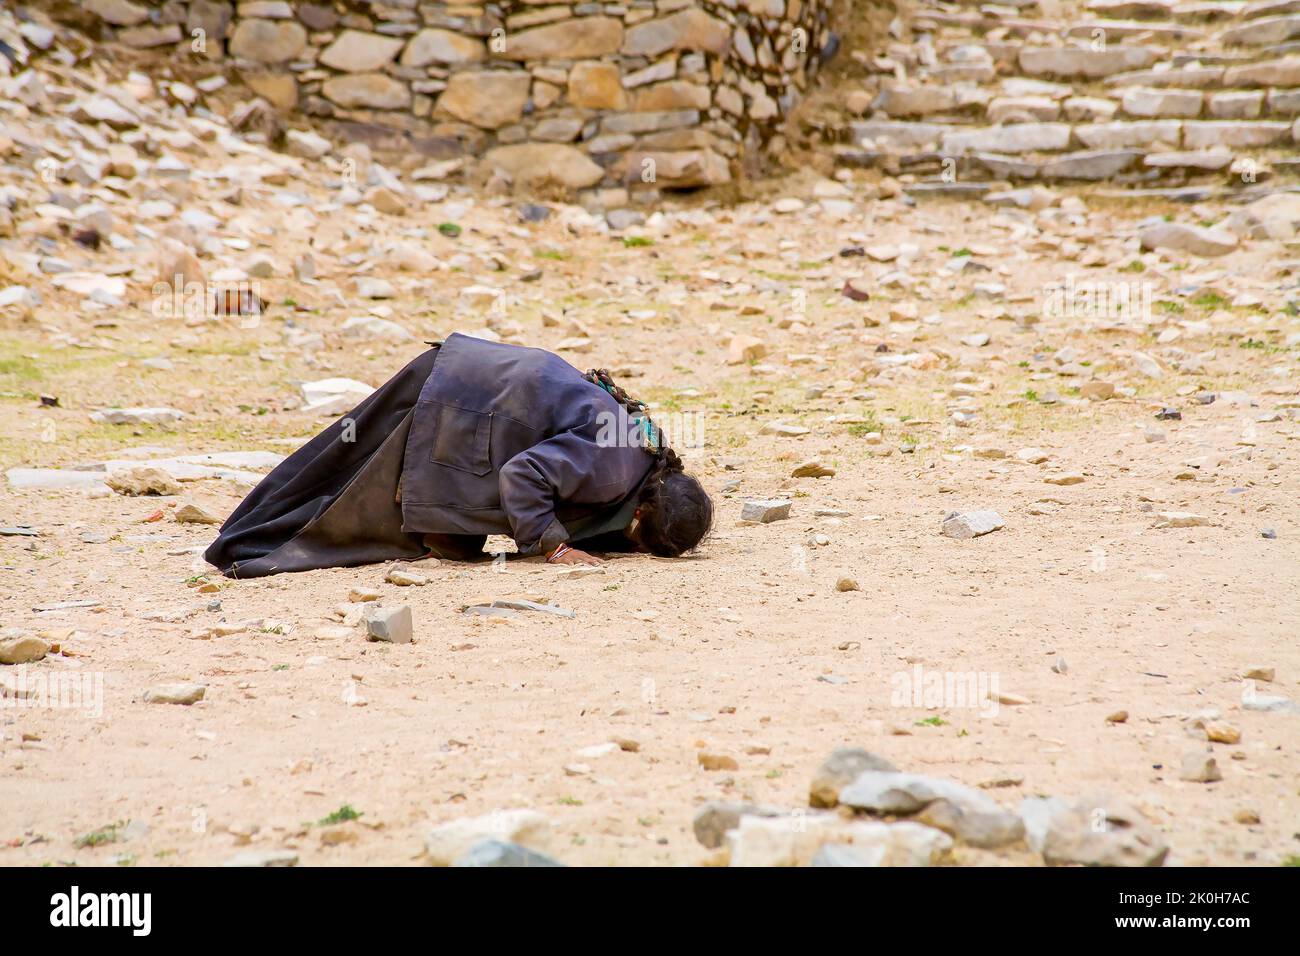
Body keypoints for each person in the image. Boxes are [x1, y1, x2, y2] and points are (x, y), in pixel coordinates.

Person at [204, 332, 713, 577]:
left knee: (333, 465)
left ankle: (246, 531)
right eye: (639, 542)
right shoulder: (612, 471)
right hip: (452, 395)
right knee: (351, 498)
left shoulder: (641, 449)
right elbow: (525, 474)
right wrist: (552, 546)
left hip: (462, 380)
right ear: (643, 513)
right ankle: (249, 543)